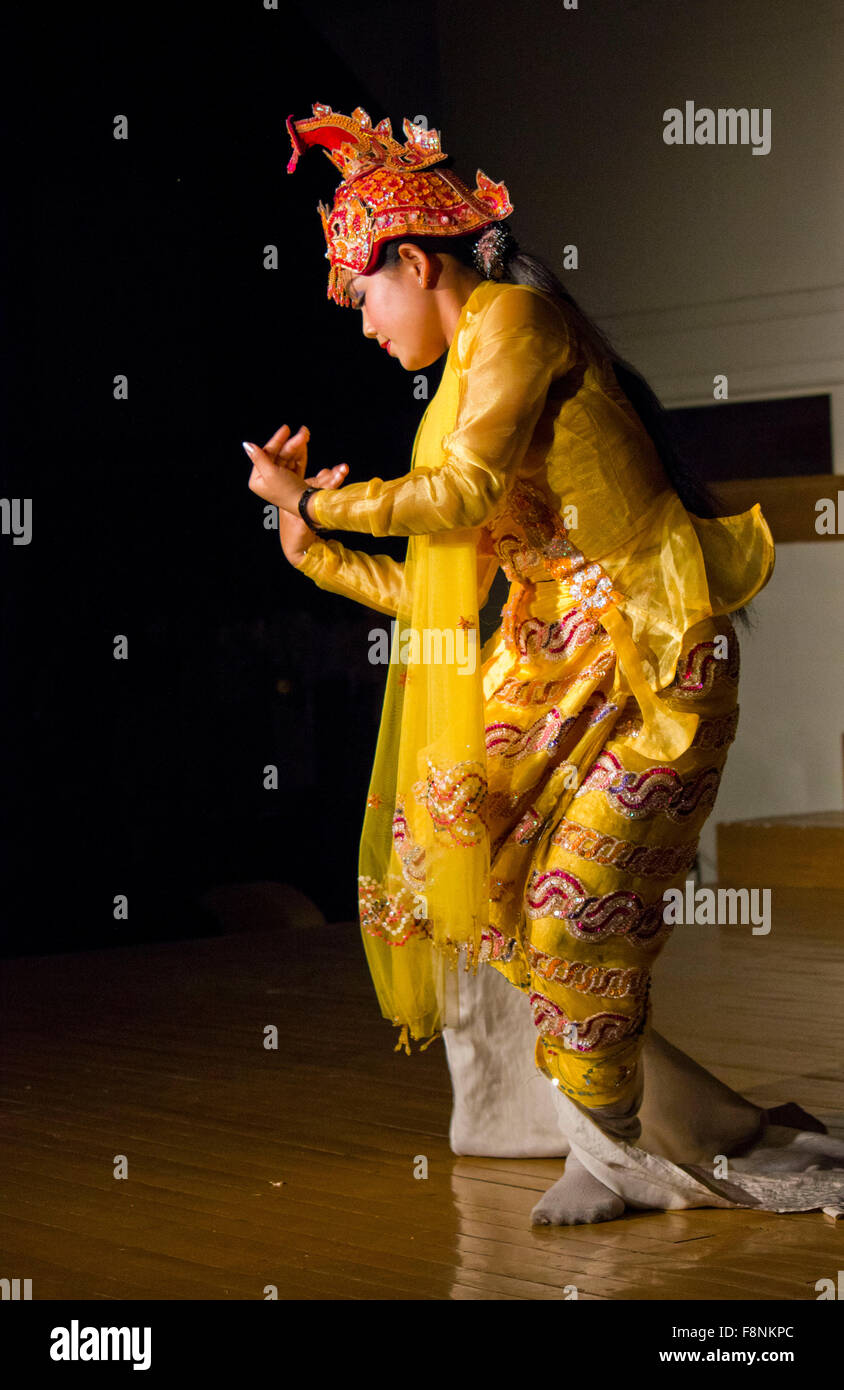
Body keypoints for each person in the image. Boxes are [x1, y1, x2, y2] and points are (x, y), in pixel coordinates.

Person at [243, 103, 844, 1225]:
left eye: (362, 296)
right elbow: (444, 599)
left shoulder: (515, 322)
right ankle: (651, 1135)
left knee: (574, 922)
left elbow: (458, 500)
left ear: (416, 264)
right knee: (497, 903)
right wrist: (314, 546)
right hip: (553, 663)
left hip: (648, 667)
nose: (364, 326)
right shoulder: (469, 374)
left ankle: (622, 1158)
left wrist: (322, 496)